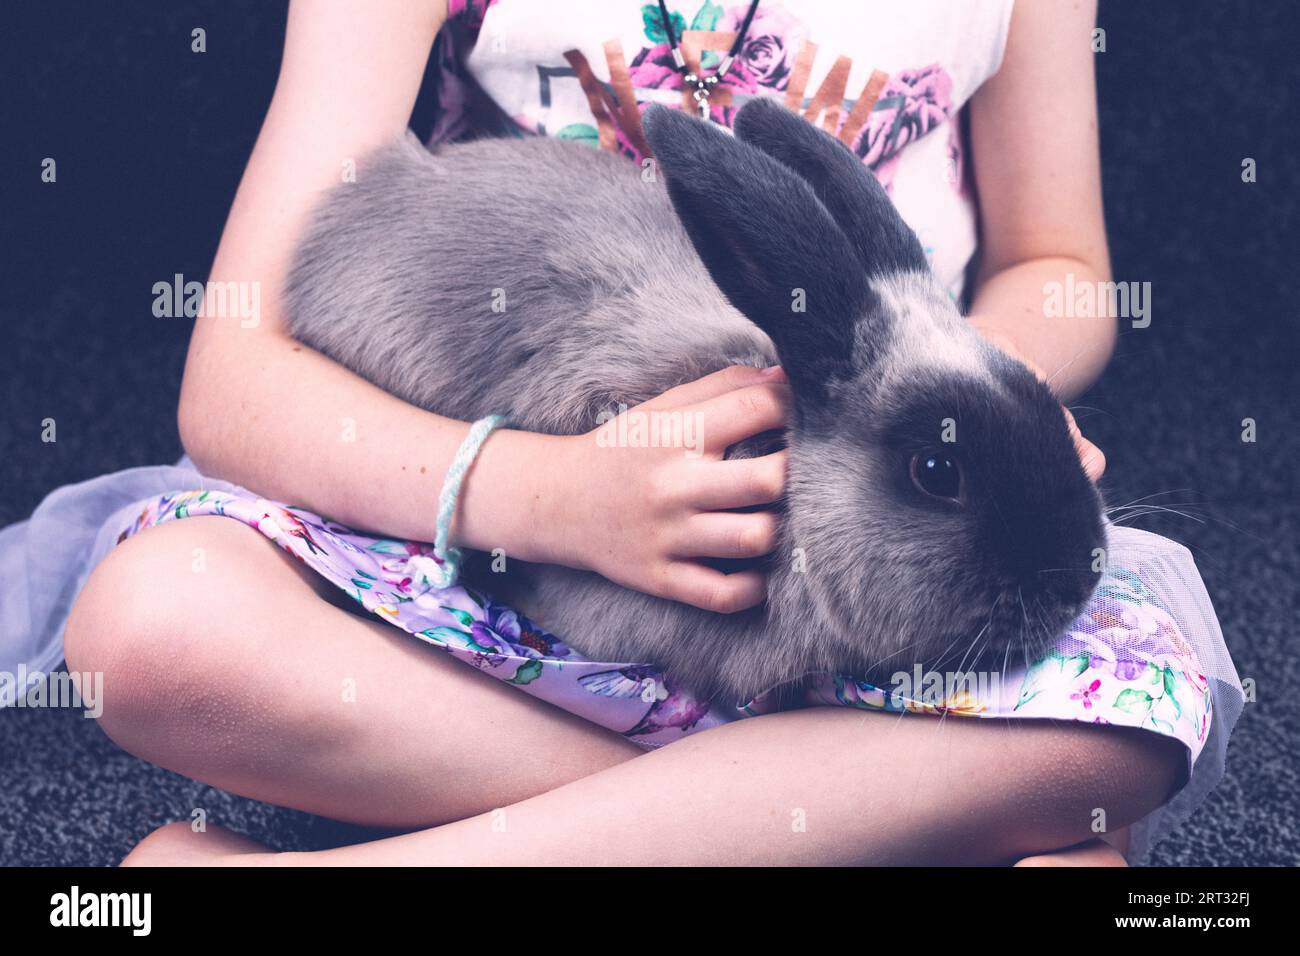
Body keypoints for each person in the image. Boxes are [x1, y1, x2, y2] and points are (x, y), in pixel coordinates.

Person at [4, 0, 1238, 866]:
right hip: (468, 516)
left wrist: (984, 392)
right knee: (156, 627)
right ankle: (864, 818)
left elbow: (1059, 263)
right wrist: (545, 495)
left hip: (913, 514)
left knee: (1125, 734)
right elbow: (231, 379)